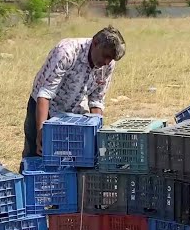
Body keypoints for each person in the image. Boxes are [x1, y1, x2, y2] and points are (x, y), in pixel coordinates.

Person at [23, 27, 126, 158]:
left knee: (73, 156)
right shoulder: (66, 52)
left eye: (111, 58)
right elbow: (45, 94)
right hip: (45, 108)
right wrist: (41, 132)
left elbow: (96, 100)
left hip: (74, 111)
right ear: (95, 43)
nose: (106, 62)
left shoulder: (107, 64)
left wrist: (96, 132)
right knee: (38, 153)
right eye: (105, 56)